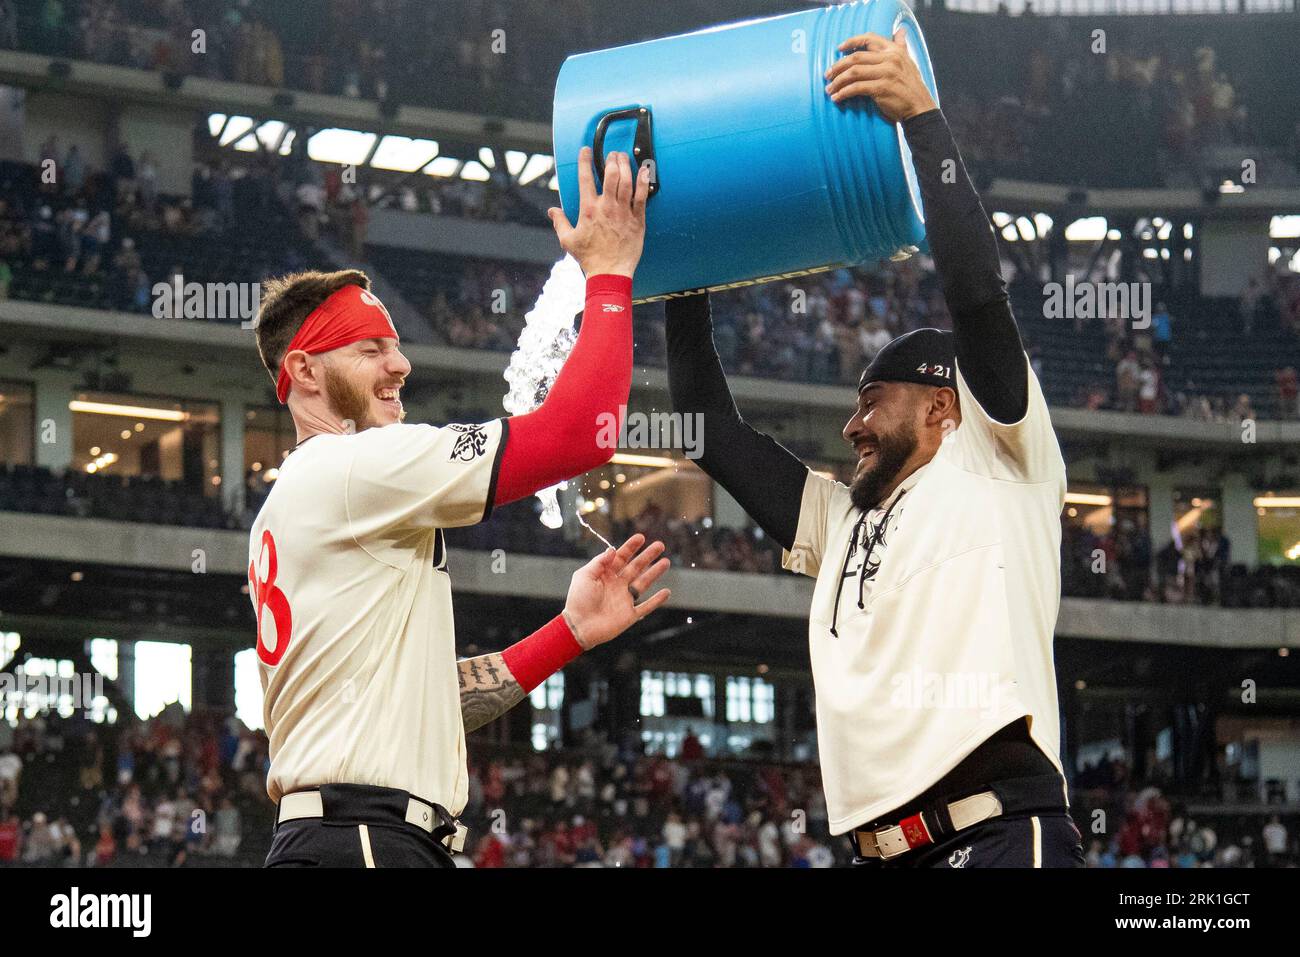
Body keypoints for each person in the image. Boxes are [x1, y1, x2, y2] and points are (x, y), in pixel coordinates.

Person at [665, 29, 1081, 868]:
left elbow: (973, 291)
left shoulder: (999, 456)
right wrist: (687, 256)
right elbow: (705, 427)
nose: (852, 426)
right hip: (873, 851)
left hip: (995, 832)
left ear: (940, 404)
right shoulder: (841, 518)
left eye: (872, 402)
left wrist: (922, 119)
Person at [252, 149, 671, 868]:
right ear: (305, 372)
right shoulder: (351, 467)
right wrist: (610, 275)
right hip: (366, 839)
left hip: (349, 835)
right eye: (371, 348)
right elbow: (583, 431)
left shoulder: (292, 507)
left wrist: (567, 632)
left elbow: (432, 699)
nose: (400, 364)